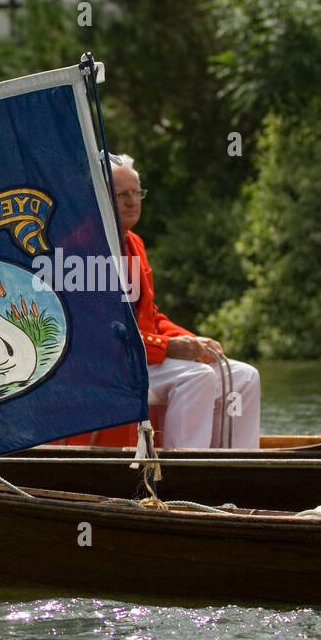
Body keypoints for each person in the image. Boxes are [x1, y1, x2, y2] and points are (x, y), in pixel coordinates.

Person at [110, 154, 262, 449]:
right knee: (197, 377)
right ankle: (183, 473)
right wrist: (169, 348)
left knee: (243, 377)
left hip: (142, 358)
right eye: (121, 195)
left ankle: (239, 469)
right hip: (113, 366)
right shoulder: (88, 249)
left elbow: (150, 316)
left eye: (136, 193)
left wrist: (192, 341)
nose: (132, 201)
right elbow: (105, 333)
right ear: (102, 198)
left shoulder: (134, 243)